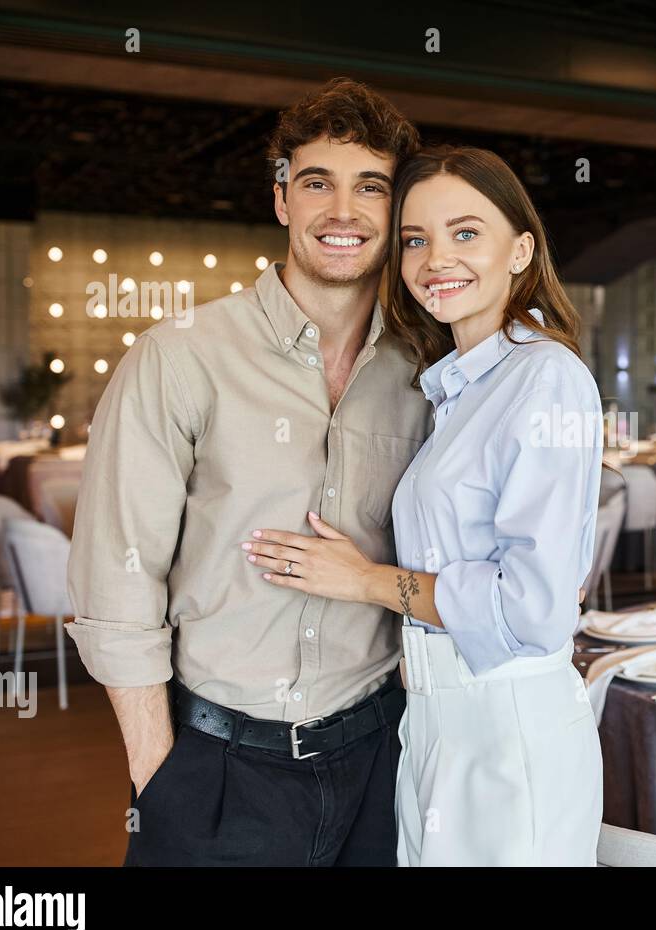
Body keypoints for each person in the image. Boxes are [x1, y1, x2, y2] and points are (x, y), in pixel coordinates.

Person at [65, 78, 431, 865]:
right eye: (316, 183)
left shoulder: (422, 371)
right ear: (281, 200)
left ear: (397, 213)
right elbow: (114, 585)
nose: (343, 211)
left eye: (371, 187)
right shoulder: (181, 357)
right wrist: (158, 774)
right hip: (216, 770)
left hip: (382, 757)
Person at [244, 145, 604, 865]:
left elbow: (534, 610)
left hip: (508, 732)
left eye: (466, 233)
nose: (437, 258)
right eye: (416, 239)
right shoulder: (455, 388)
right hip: (439, 720)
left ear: (521, 249)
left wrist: (364, 581)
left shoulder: (547, 379)